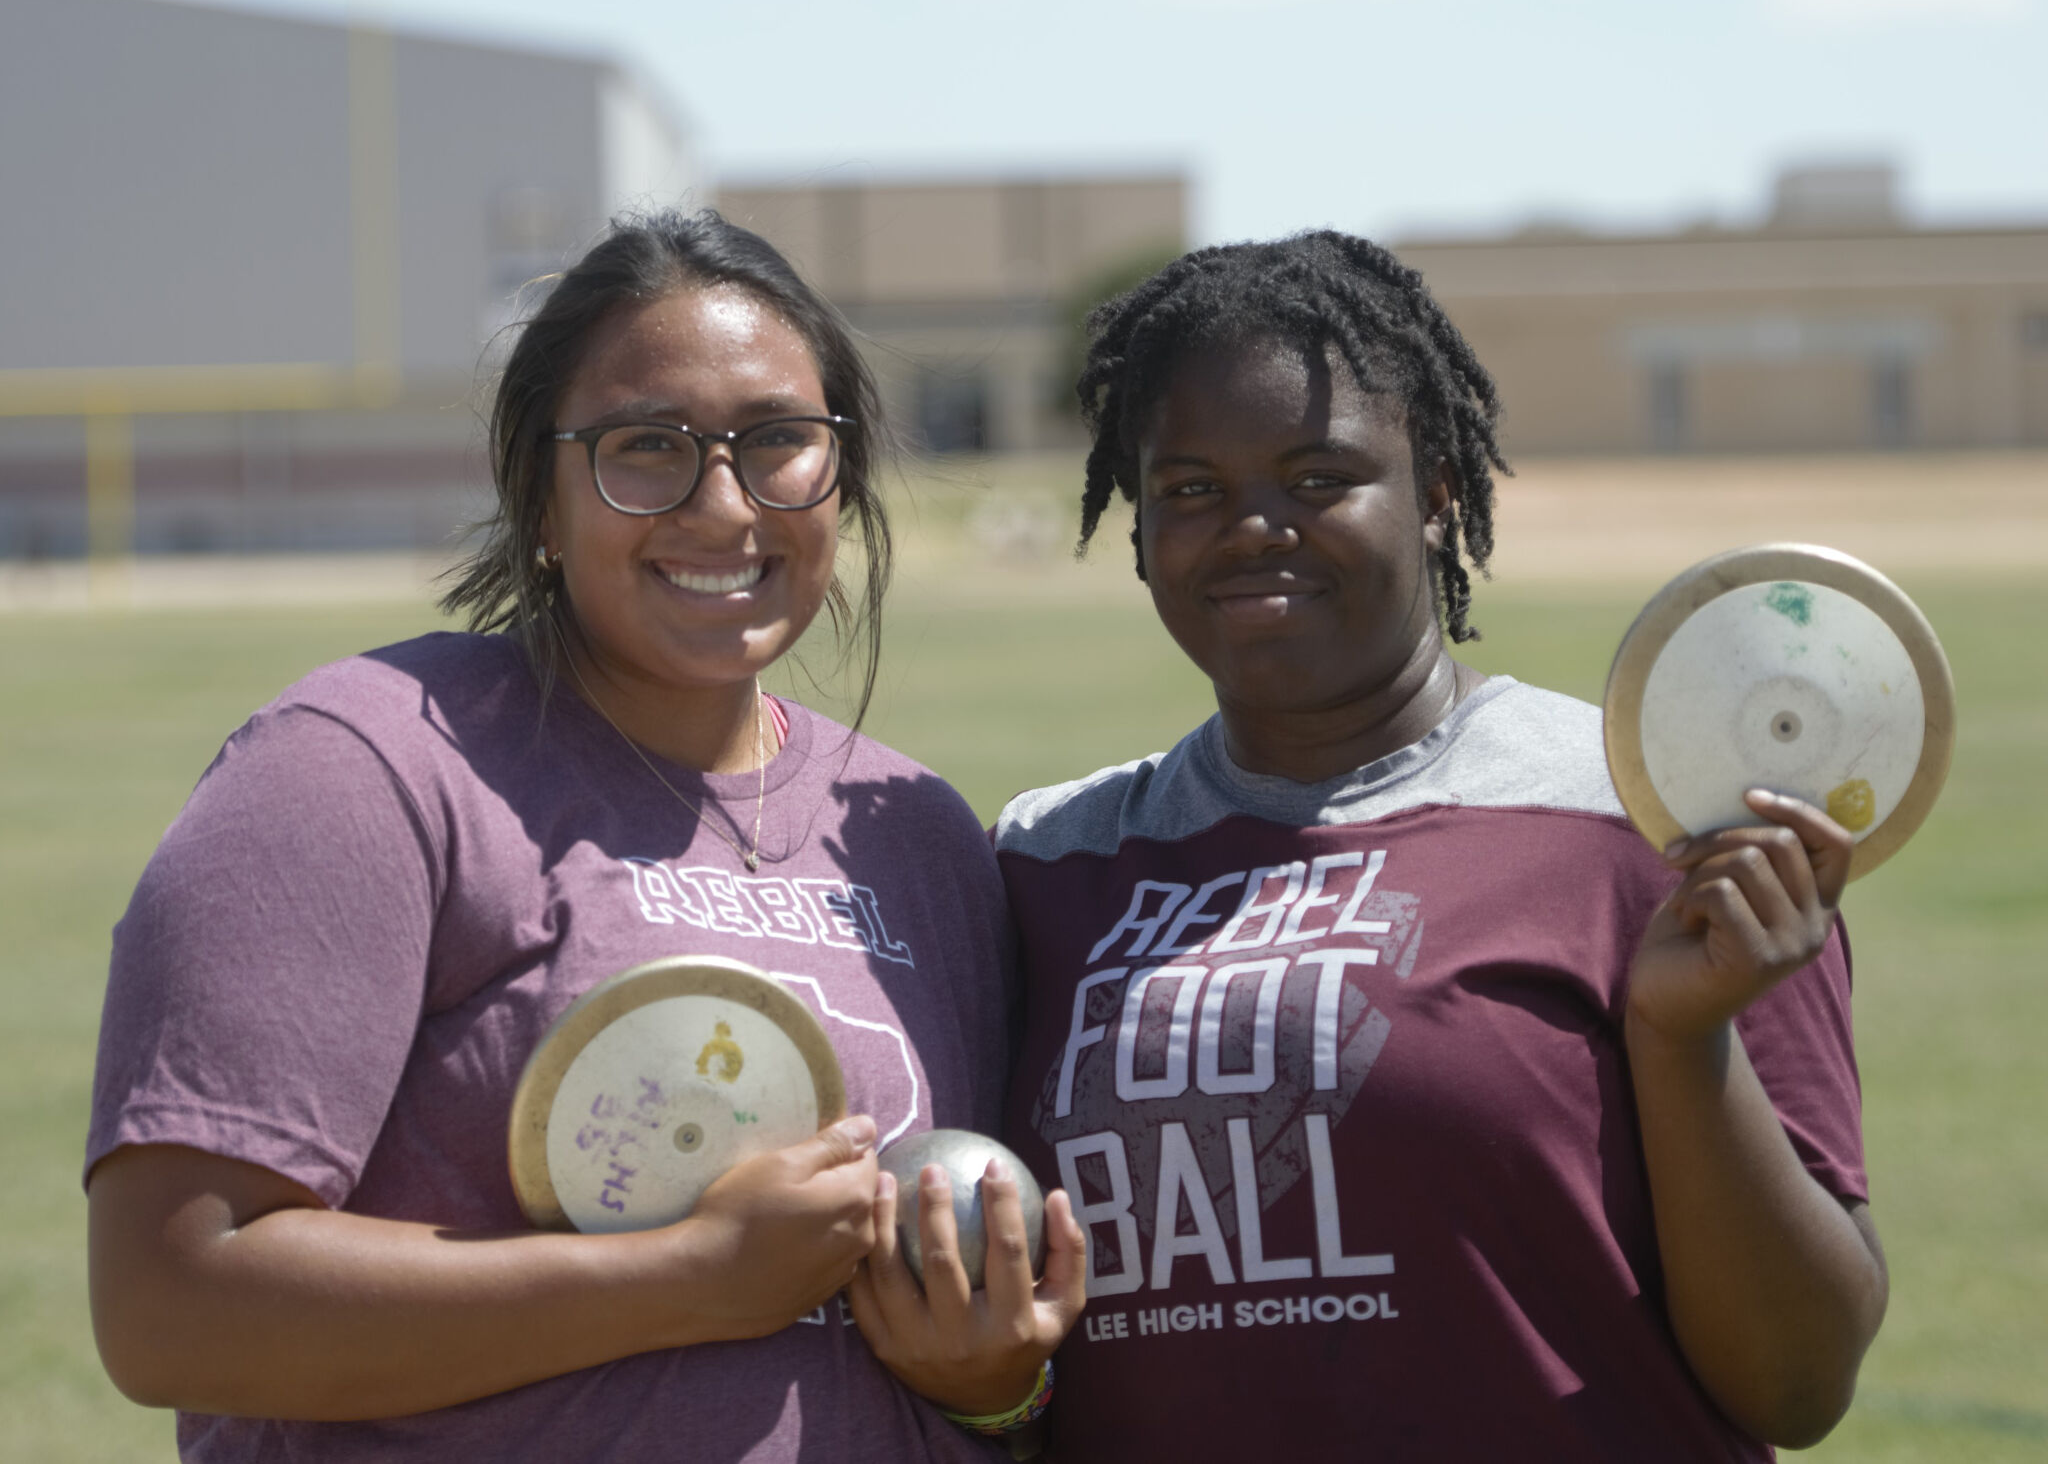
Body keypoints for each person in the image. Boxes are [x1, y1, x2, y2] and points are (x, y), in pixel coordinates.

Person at [85, 209, 1082, 1463]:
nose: (721, 506)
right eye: (643, 448)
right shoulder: (368, 765)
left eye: (779, 440)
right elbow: (173, 1305)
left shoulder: (918, 837)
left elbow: (975, 1365)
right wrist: (689, 1276)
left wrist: (996, 1383)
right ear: (541, 504)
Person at [993, 231, 1887, 1461]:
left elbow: (1796, 1383)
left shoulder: (1643, 820)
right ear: (1137, 532)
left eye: (1319, 477)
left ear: (1438, 497)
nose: (1254, 526)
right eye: (1190, 488)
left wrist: (1676, 1040)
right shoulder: (1043, 864)